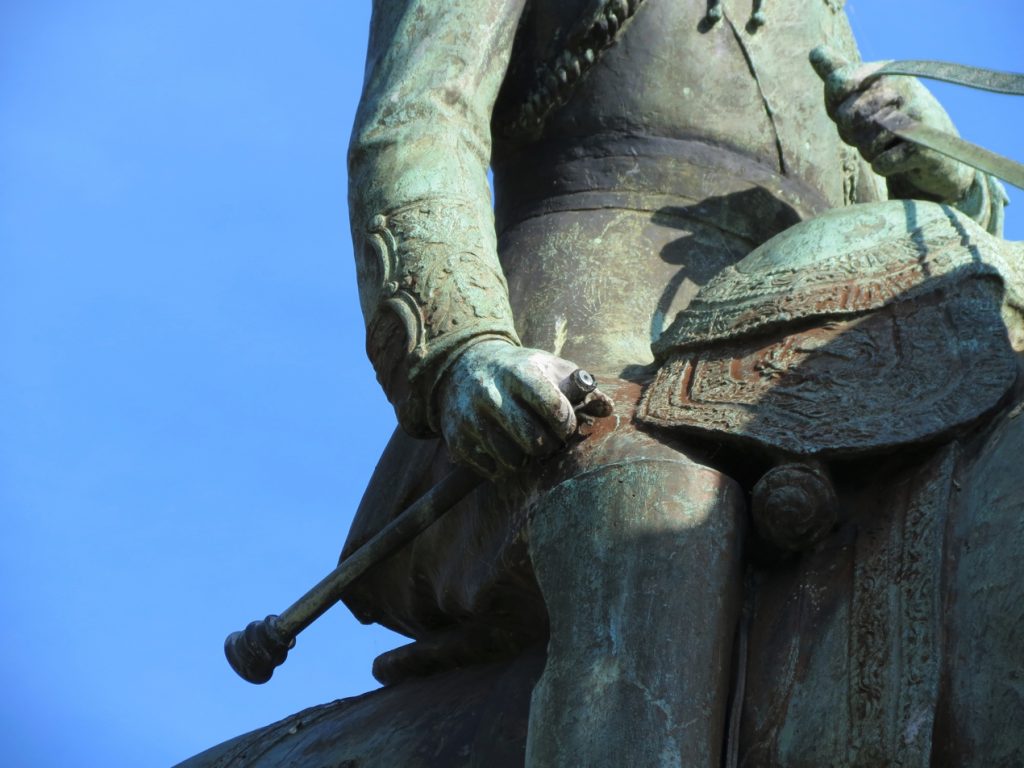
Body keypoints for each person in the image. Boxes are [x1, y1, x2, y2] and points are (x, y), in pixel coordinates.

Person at [340, 1, 1008, 764]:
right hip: (578, 352)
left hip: (808, 373)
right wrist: (463, 346)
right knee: (651, 511)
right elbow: (420, 121)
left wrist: (942, 182)